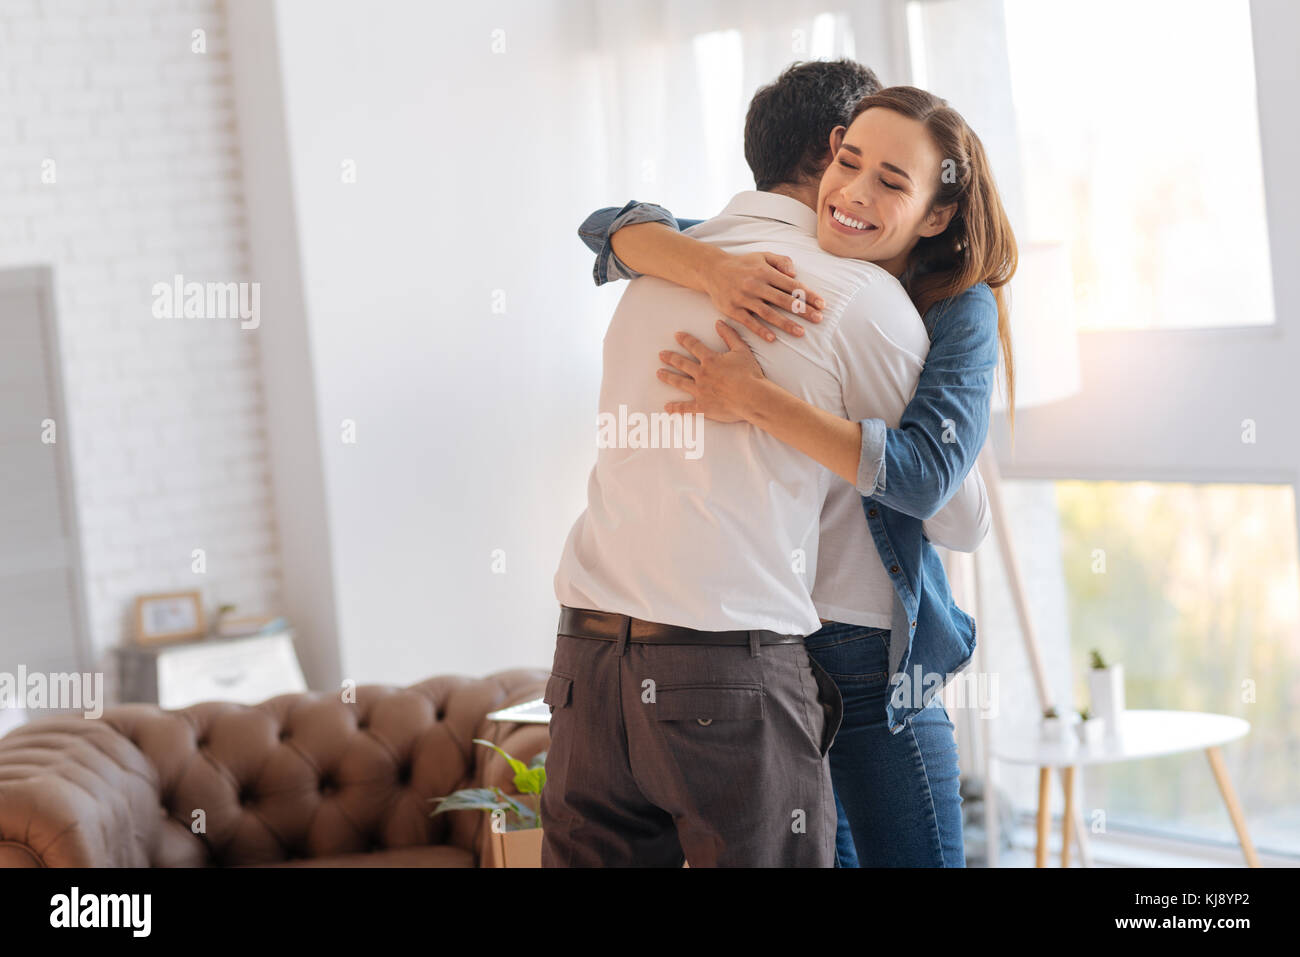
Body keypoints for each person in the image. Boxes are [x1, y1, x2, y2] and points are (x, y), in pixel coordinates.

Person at [544, 61, 990, 867]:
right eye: (856, 161)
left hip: (586, 657)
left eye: (892, 177)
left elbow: (611, 227)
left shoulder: (654, 271)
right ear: (832, 149)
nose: (857, 191)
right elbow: (956, 509)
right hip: (741, 659)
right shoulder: (856, 300)